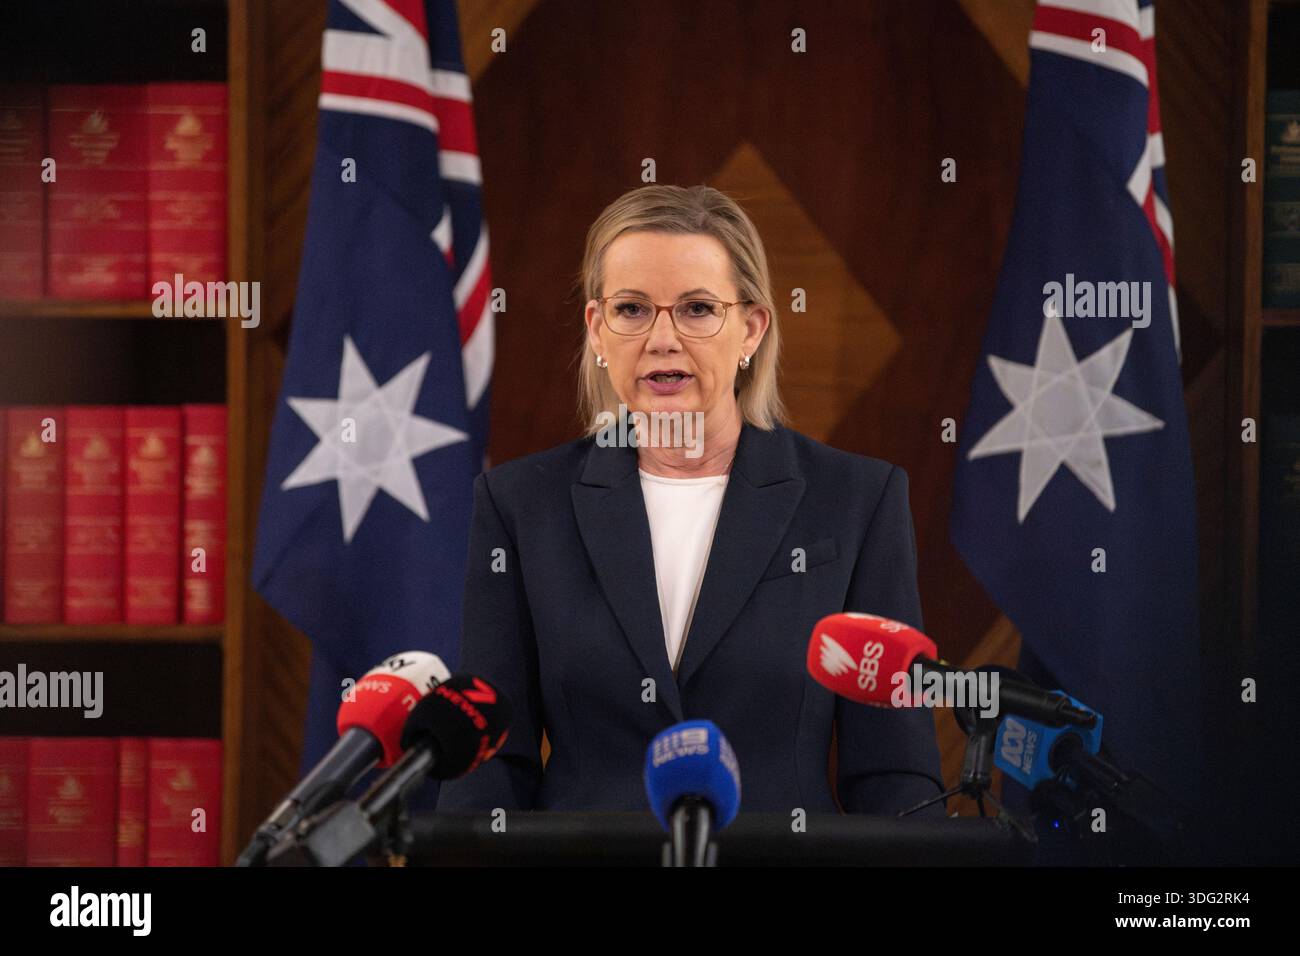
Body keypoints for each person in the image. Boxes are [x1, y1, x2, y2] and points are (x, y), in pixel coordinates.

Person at [436, 184, 945, 816]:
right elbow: (490, 766)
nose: (662, 338)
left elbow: (895, 775)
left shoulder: (856, 500)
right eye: (632, 309)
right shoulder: (519, 505)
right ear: (597, 328)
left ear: (751, 329)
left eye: (698, 309)